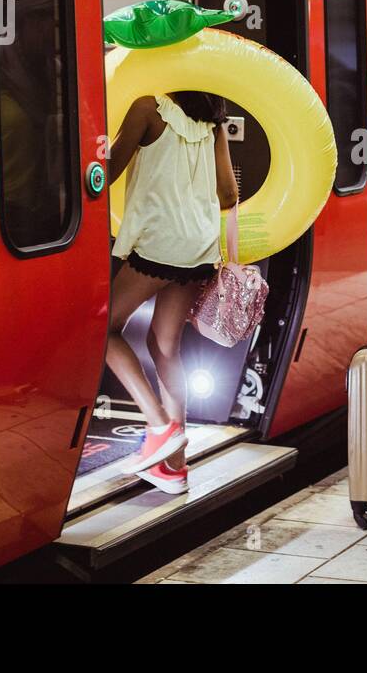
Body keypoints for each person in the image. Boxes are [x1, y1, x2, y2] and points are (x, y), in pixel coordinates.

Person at [106, 90, 239, 494]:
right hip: (198, 247)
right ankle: (174, 467)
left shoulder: (148, 107)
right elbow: (229, 195)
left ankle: (159, 425)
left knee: (102, 330)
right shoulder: (213, 121)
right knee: (165, 346)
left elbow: (106, 173)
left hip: (160, 244)